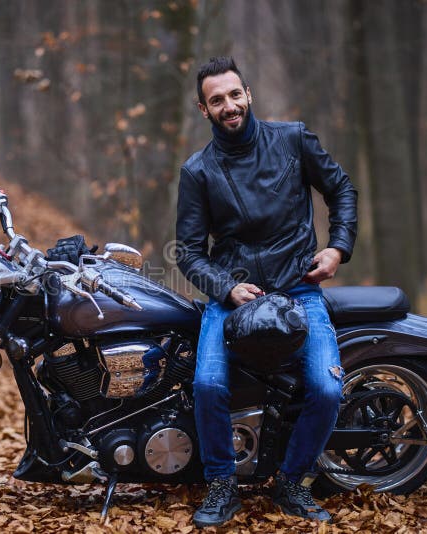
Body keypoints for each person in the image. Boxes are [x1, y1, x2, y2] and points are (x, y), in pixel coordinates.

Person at [175, 56, 358, 527]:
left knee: (325, 386)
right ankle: (221, 486)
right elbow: (188, 252)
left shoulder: (293, 138)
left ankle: (292, 483)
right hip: (234, 298)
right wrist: (227, 288)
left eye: (235, 95)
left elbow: (340, 189)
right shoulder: (197, 171)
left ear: (248, 94)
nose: (229, 105)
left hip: (300, 290)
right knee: (207, 384)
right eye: (217, 100)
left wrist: (337, 248)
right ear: (204, 110)